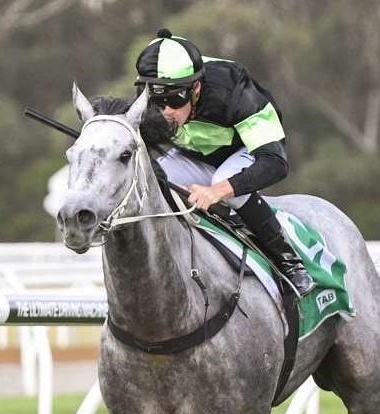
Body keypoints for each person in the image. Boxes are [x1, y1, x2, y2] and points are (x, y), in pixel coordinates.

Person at [134, 29, 314, 296]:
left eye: (174, 99)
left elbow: (275, 162)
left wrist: (217, 192)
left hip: (247, 152)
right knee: (149, 177)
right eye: (156, 100)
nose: (165, 111)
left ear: (196, 88)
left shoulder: (235, 90)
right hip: (194, 156)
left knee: (222, 181)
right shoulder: (150, 96)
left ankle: (289, 262)